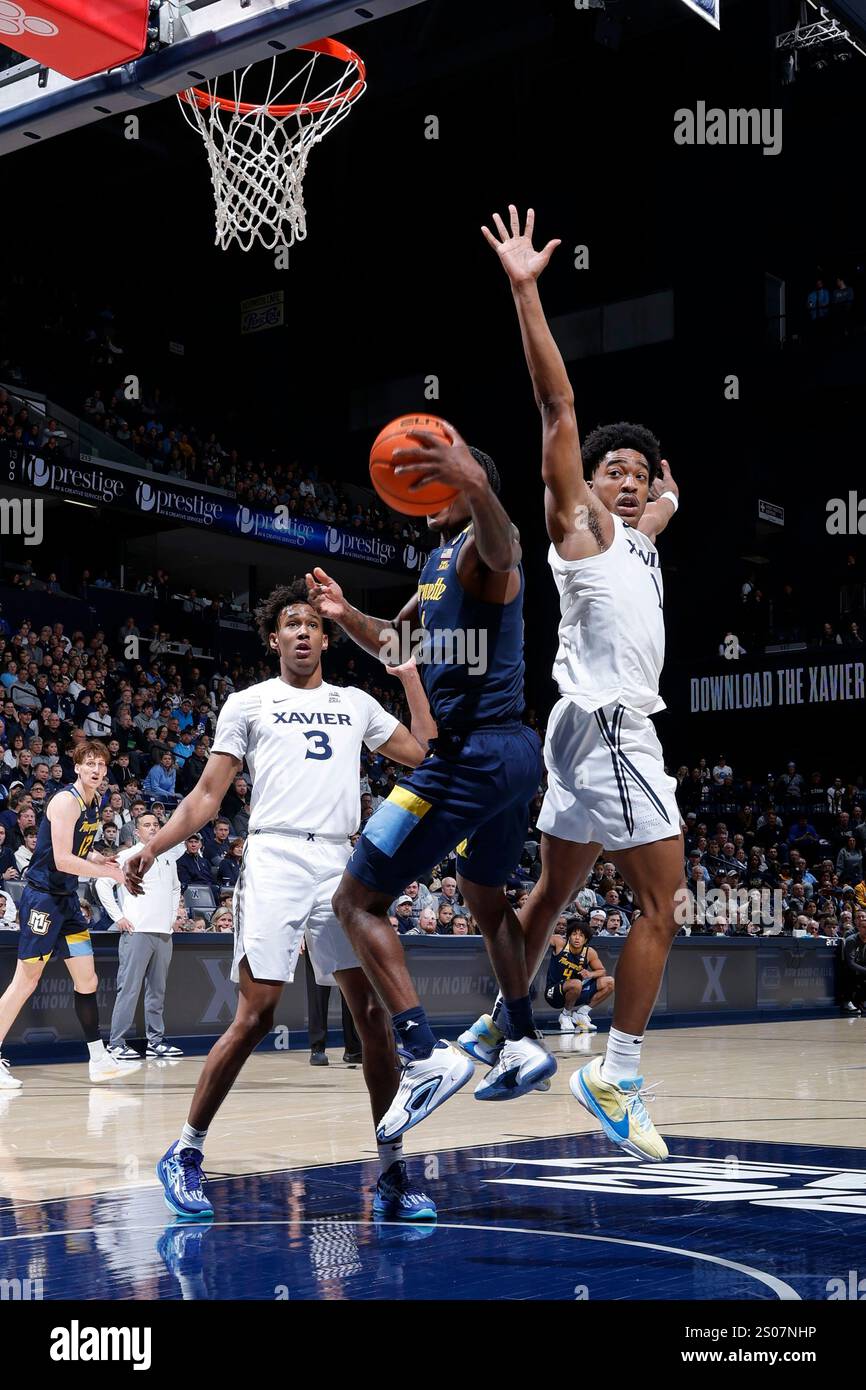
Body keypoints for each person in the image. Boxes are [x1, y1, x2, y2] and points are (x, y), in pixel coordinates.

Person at [461, 205, 684, 1162]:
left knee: (549, 897)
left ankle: (499, 1024)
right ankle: (616, 1071)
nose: (628, 483)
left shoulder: (637, 536)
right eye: (612, 471)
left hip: (577, 731)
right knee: (665, 905)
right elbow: (558, 409)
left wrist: (666, 490)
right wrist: (525, 289)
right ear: (583, 487)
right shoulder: (582, 529)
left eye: (639, 473)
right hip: (611, 728)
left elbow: (668, 504)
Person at [124, 579, 436, 1222]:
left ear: (325, 638)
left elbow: (421, 753)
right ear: (274, 640)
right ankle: (184, 1152)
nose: (301, 632)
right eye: (290, 623)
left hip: (339, 864)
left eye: (311, 625)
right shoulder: (247, 703)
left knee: (371, 1018)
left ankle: (393, 1170)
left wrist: (407, 678)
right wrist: (151, 847)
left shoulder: (355, 702)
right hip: (273, 857)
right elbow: (208, 798)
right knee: (257, 1015)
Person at [307, 414, 553, 1138]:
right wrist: (344, 612)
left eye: (445, 478)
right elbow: (395, 641)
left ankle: (422, 1052)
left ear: (468, 485)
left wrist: (471, 475)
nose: (430, 487)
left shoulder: (485, 548)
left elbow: (508, 543)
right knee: (483, 896)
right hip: (510, 757)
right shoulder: (438, 562)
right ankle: (521, 1037)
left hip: (471, 756)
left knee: (354, 902)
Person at [0, 741, 141, 1090]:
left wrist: (99, 861)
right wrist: (111, 875)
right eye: (89, 763)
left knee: (87, 980)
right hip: (43, 900)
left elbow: (80, 848)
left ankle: (98, 1059)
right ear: (76, 767)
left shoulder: (95, 802)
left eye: (101, 764)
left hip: (67, 902)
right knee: (26, 982)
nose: (96, 769)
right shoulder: (65, 801)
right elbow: (61, 859)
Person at [96, 810, 184, 1060]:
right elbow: (102, 884)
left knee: (157, 990)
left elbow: (176, 887)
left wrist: (172, 915)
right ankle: (116, 1043)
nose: (153, 828)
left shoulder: (167, 856)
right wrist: (118, 917)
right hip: (137, 931)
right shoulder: (126, 855)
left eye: (156, 824)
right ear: (136, 832)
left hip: (163, 933)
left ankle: (155, 1041)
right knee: (129, 989)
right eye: (147, 825)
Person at [544, 921, 614, 1033]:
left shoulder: (589, 953)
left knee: (610, 982)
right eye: (574, 934)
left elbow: (602, 971)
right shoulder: (559, 942)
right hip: (554, 993)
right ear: (569, 936)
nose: (577, 938)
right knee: (576, 983)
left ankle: (581, 1013)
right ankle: (565, 1016)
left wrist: (590, 974)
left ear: (586, 940)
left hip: (575, 993)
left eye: (581, 936)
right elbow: (541, 937)